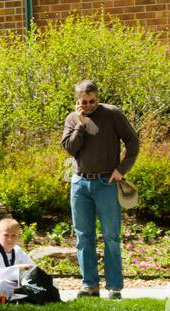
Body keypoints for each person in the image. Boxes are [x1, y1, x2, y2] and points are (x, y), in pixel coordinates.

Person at [61, 80, 140, 299]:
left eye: (92, 101)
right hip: (80, 184)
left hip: (107, 183)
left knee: (111, 236)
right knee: (83, 236)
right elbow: (70, 148)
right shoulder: (72, 118)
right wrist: (80, 123)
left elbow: (133, 142)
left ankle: (114, 288)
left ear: (98, 97)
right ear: (78, 101)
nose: (88, 105)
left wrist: (121, 169)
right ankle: (90, 286)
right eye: (84, 102)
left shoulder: (113, 114)